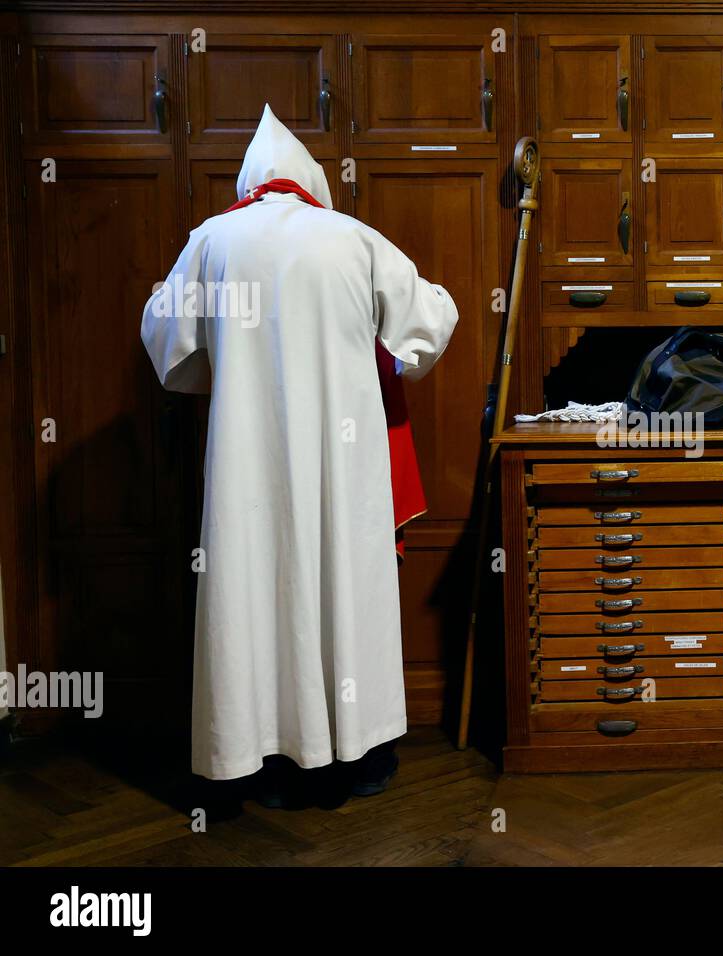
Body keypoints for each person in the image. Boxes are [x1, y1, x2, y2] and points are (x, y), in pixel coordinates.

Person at [140, 105, 459, 804]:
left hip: (244, 463)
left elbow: (167, 346)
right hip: (343, 469)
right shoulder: (352, 238)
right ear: (312, 183)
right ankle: (355, 755)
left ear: (252, 181)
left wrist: (219, 359)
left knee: (251, 593)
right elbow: (430, 321)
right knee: (346, 588)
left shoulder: (211, 242)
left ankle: (251, 758)